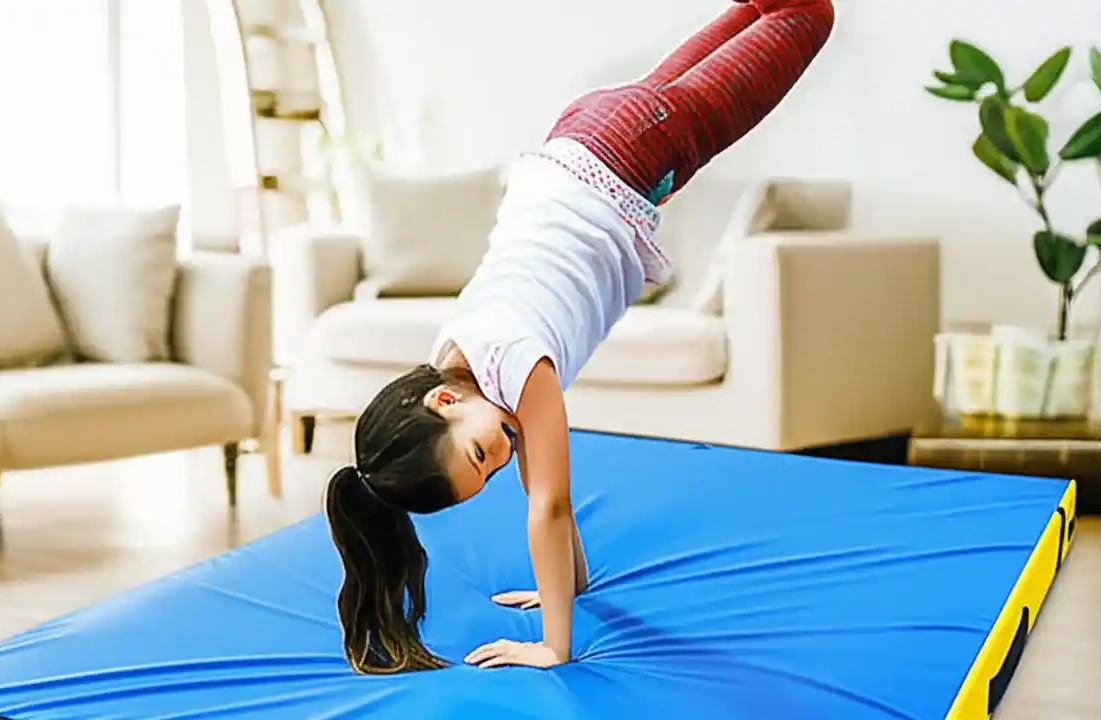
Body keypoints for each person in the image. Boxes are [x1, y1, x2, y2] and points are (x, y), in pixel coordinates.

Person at [324, 0, 836, 675]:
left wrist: (554, 646)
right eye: (485, 471)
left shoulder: (519, 364)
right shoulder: (461, 359)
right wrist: (567, 586)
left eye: (479, 455)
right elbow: (545, 486)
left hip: (626, 153)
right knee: (765, 12)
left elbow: (550, 504)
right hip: (584, 141)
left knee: (810, 15)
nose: (499, 459)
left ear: (444, 405)